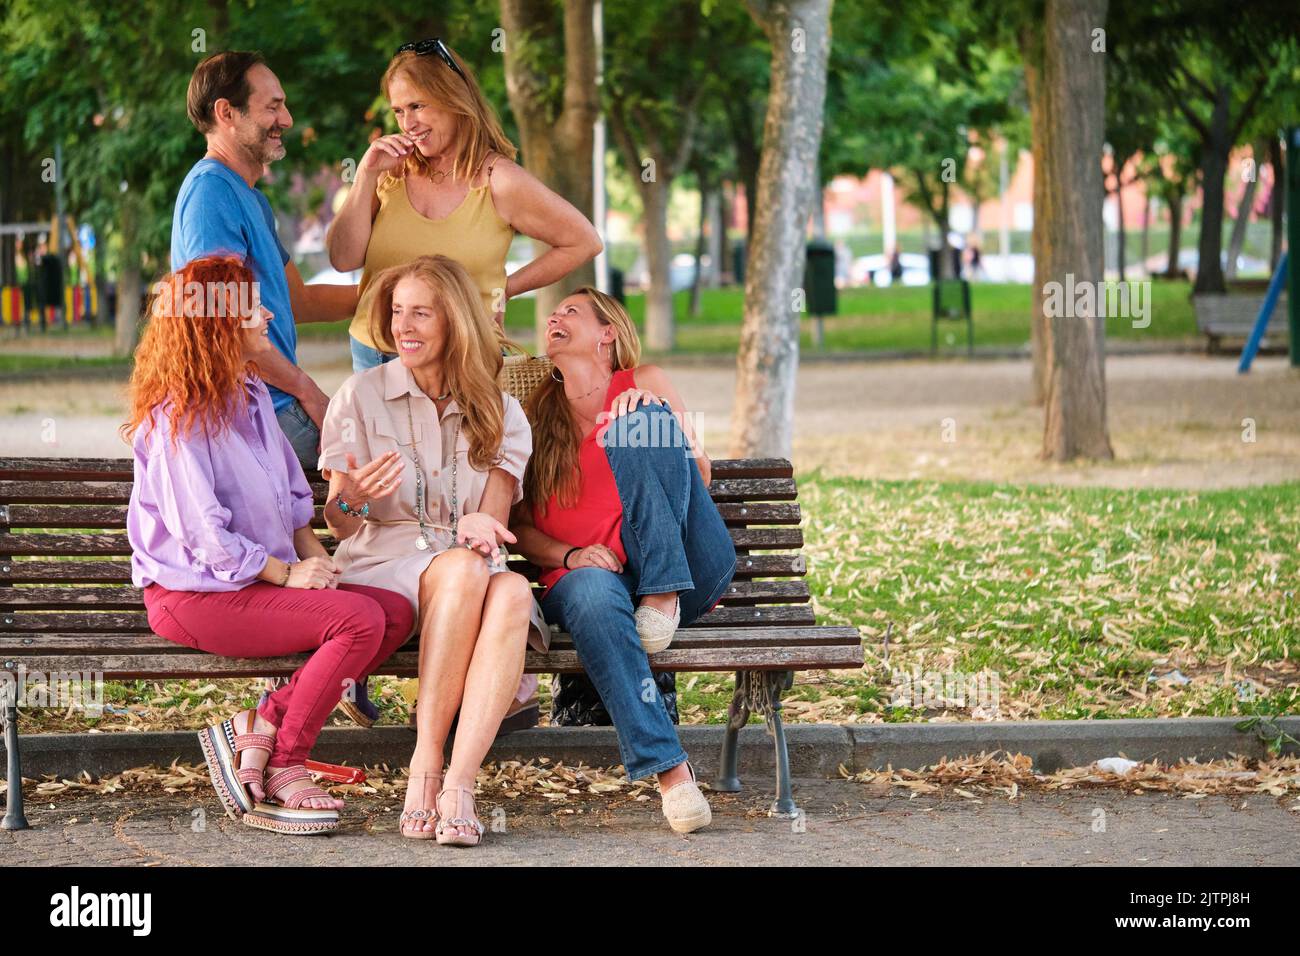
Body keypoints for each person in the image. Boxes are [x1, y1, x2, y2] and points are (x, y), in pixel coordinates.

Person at [124, 255, 414, 836]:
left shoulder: (252, 396)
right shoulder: (176, 419)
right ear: (218, 320)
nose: (269, 312)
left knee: (396, 612)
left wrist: (316, 560)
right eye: (252, 304)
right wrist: (286, 576)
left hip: (254, 582)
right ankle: (284, 763)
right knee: (357, 622)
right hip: (195, 594)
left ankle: (263, 721)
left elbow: (290, 499)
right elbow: (206, 538)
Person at [319, 255, 546, 847]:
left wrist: (479, 522)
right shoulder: (359, 397)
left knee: (513, 586)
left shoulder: (503, 411)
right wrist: (356, 499)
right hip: (381, 566)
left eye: (421, 312)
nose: (404, 326)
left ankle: (458, 785)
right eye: (397, 312)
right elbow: (341, 527)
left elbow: (492, 526)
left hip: (465, 566)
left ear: (455, 321)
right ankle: (425, 766)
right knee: (469, 571)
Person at [509, 287, 736, 834]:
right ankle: (672, 774)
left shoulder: (646, 380)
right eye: (553, 313)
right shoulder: (532, 414)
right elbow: (517, 527)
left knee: (640, 422)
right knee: (588, 591)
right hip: (587, 573)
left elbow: (699, 476)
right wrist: (567, 554)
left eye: (571, 311)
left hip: (688, 564)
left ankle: (661, 589)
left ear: (607, 332)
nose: (554, 317)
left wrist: (656, 423)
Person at [326, 38, 602, 373]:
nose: (407, 124)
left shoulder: (499, 180)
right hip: (375, 358)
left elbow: (583, 241)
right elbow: (343, 259)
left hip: (462, 362)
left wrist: (505, 290)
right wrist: (366, 175)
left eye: (417, 106)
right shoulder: (390, 170)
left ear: (454, 100)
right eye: (398, 111)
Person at [173, 51, 358, 475]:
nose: (287, 119)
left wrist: (393, 293)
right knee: (385, 477)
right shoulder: (211, 194)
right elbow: (223, 325)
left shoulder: (251, 198)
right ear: (227, 112)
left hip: (274, 402)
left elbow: (300, 301)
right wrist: (307, 391)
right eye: (272, 106)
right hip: (255, 415)